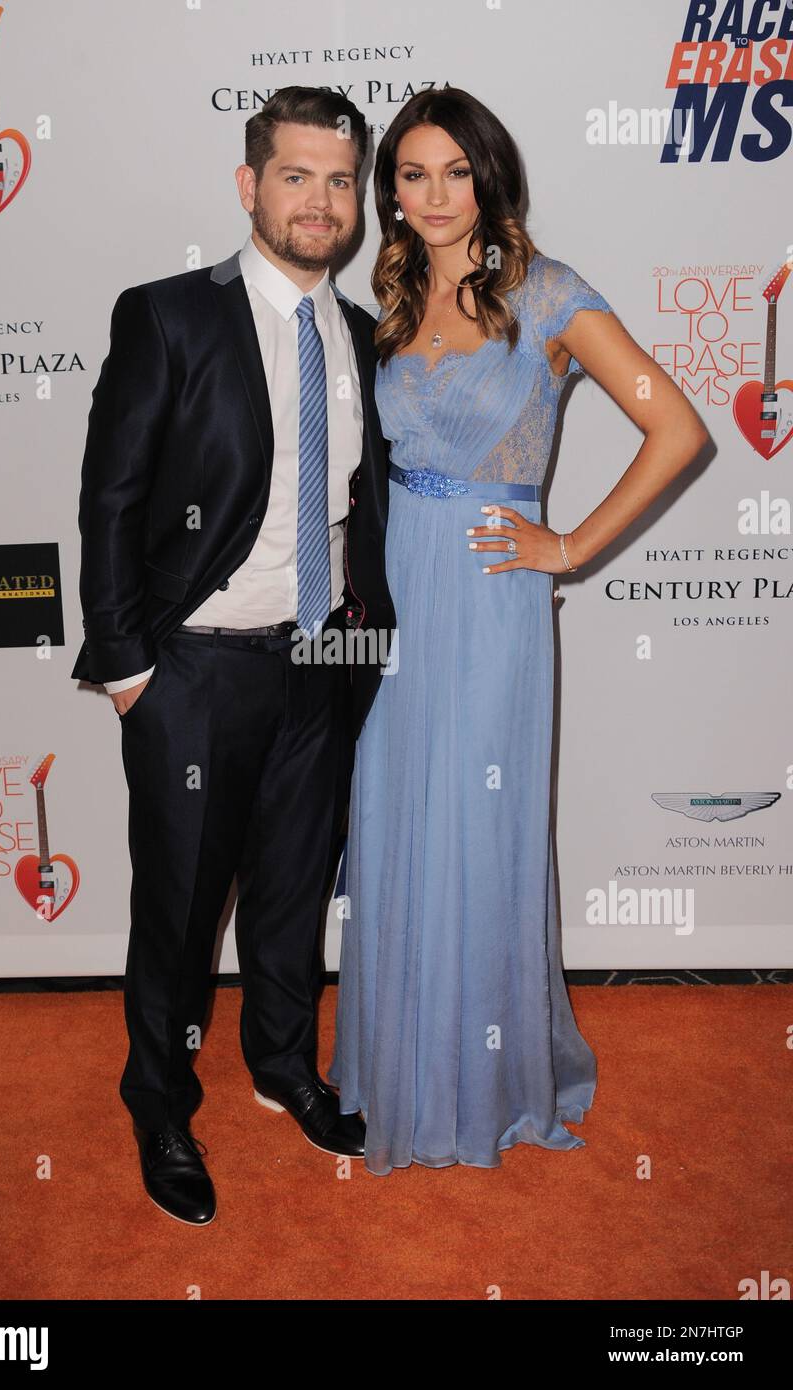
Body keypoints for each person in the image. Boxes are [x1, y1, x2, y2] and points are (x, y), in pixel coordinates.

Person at [329, 87, 710, 1176]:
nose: (433, 194)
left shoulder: (548, 295)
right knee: (391, 818)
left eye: (454, 170)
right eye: (410, 173)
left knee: (475, 826)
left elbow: (674, 426)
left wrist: (570, 545)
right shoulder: (388, 297)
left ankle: (483, 1082)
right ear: (388, 192)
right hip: (391, 594)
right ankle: (394, 1072)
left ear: (488, 177)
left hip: (491, 596)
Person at [72, 86, 395, 1224]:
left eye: (339, 179)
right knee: (176, 908)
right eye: (296, 175)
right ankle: (157, 1100)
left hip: (319, 666)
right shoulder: (168, 316)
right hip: (193, 673)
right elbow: (108, 499)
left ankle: (281, 1064)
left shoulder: (360, 336)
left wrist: (364, 646)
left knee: (293, 890)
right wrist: (127, 671)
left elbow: (362, 511)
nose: (320, 201)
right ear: (247, 182)